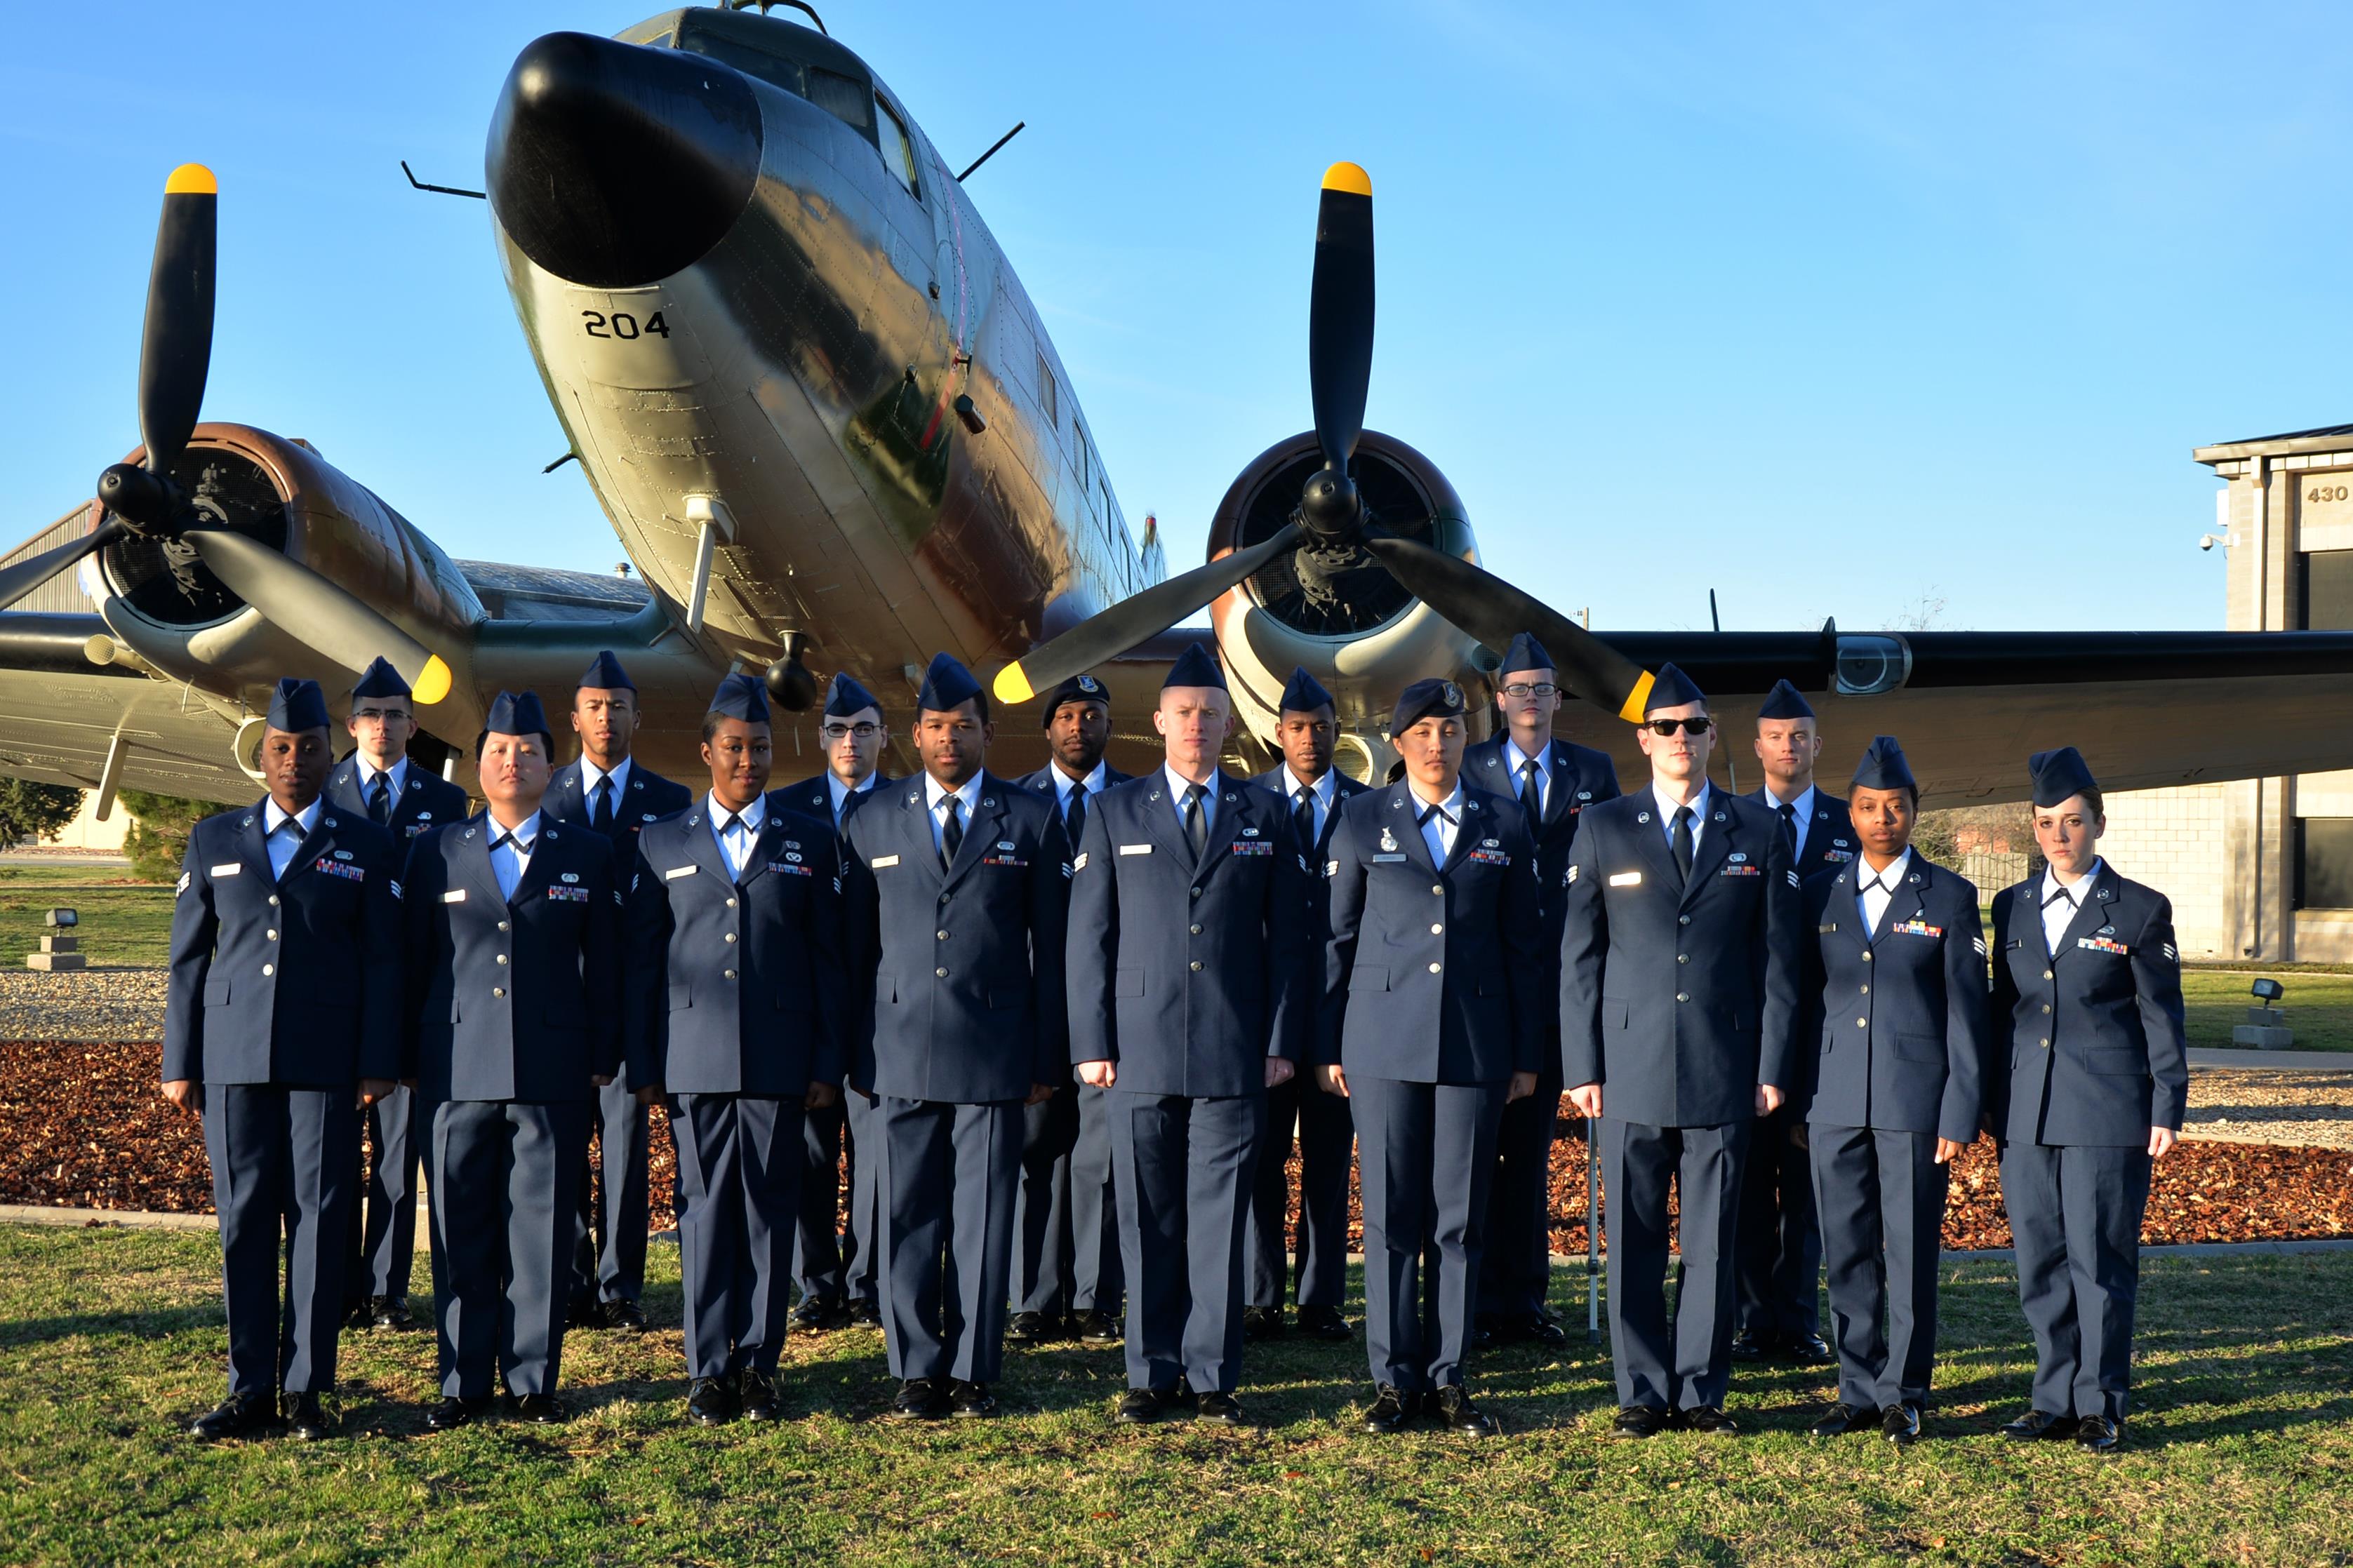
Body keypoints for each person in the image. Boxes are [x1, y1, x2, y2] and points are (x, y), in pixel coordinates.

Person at [1067, 645, 1309, 1426]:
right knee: (1145, 1216)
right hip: (1136, 1047)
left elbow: (1289, 941)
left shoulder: (1265, 812)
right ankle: (1151, 1370)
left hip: (1234, 1048)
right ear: (1159, 723)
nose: (1198, 726)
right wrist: (1089, 1040)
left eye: (1210, 714)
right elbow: (1088, 937)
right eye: (1184, 714)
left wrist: (1279, 1038)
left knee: (1219, 1217)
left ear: (1226, 721)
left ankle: (1211, 1377)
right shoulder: (1112, 811)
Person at [1560, 662, 1799, 1438]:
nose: (1680, 738)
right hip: (1626, 1067)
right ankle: (1639, 1391)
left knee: (1712, 1240)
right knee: (1633, 1240)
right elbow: (1579, 957)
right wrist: (1581, 1065)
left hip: (1723, 1065)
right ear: (1643, 738)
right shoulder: (1602, 826)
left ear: (1709, 736)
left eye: (1694, 725)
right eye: (1666, 726)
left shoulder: (1756, 829)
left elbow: (1778, 963)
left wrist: (1770, 1068)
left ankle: (1699, 1391)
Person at [165, 677, 401, 1441]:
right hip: (232, 1060)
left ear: (331, 755)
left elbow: (381, 962)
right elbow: (188, 962)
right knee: (242, 1221)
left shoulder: (363, 843)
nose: (294, 761)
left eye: (307, 749)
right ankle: (248, 1389)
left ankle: (305, 1389)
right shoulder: (214, 839)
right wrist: (181, 1060)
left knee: (321, 1219)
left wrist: (375, 1061)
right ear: (261, 756)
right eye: (280, 748)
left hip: (324, 1062)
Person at [839, 652, 1068, 1419]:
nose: (948, 740)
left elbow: (1055, 947)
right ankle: (915, 1367)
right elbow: (851, 951)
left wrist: (1045, 1056)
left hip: (995, 1052)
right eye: (935, 727)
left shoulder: (1031, 818)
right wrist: (852, 1049)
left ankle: (972, 1369)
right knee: (905, 1214)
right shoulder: (870, 818)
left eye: (962, 727)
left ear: (987, 733)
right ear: (914, 734)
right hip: (897, 1048)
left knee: (982, 1218)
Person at [1322, 678, 1545, 1438]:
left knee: (1459, 1221)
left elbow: (1524, 947)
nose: (1437, 743)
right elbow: (1335, 940)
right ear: (1397, 743)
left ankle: (1448, 1379)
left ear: (1463, 738)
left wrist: (1524, 1052)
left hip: (1474, 1046)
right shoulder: (1358, 819)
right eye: (1421, 732)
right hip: (1382, 1043)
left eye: (1449, 731)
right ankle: (1393, 1382)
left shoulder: (1503, 821)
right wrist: (1326, 1045)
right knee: (1389, 1219)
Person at [625, 674, 846, 1425]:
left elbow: (828, 963)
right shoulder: (661, 841)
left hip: (780, 1063)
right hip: (692, 1060)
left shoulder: (809, 842)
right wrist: (646, 1065)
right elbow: (643, 965)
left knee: (768, 1215)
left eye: (757, 748)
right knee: (703, 1213)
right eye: (732, 748)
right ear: (706, 752)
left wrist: (825, 1063)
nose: (746, 761)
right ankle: (707, 1368)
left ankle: (758, 1366)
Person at [401, 690, 623, 1430]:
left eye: (528, 749)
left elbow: (609, 967)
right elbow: (410, 963)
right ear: (476, 764)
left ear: (550, 764)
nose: (512, 760)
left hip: (550, 1070)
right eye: (498, 749)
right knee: (460, 1229)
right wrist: (404, 1056)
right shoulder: (433, 851)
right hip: (455, 1068)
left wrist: (601, 1053)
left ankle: (533, 1379)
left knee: (539, 1230)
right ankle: (462, 1381)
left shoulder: (587, 854)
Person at [1988, 746, 2187, 1454]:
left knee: (2098, 1261)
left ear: (2098, 822)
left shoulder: (2136, 910)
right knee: (2038, 1260)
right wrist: (1988, 1105)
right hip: (2024, 1114)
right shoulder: (2009, 905)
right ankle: (2051, 1398)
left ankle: (2100, 1402)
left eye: (2070, 821)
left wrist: (2166, 1105)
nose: (2057, 837)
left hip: (2104, 1112)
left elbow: (2161, 1015)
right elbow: (2000, 1010)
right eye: (2044, 824)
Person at [1799, 737, 1989, 1446]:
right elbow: (1801, 999)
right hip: (1835, 1099)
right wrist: (1798, 1100)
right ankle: (1854, 1388)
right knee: (1843, 1249)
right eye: (1869, 807)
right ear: (1850, 814)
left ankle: (1902, 1392)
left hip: (1914, 1103)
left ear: (1914, 813)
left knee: (1907, 1252)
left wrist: (1959, 1107)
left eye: (1895, 808)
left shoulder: (1948, 895)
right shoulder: (1821, 894)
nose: (1882, 818)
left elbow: (1968, 1013)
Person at [1462, 631, 1621, 1349]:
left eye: (1543, 688)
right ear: (1498, 701)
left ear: (1560, 698)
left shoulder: (1593, 770)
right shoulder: (1466, 767)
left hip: (1565, 983)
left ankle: (1524, 1300)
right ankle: (1476, 1302)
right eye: (1518, 689)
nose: (1532, 700)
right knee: (1477, 1152)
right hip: (1486, 987)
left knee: (1527, 1153)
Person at [546, 650, 692, 1334]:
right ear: (575, 718)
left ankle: (620, 1287)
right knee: (567, 1145)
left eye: (618, 705)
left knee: (629, 1148)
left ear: (638, 715)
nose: (607, 718)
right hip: (567, 1005)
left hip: (637, 1002)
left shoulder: (669, 803)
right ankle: (574, 1280)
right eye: (594, 707)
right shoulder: (547, 801)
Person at [325, 656, 467, 1334]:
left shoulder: (442, 805)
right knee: (328, 1154)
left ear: (414, 726)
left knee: (396, 1153)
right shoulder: (322, 793)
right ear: (352, 725)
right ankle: (337, 1283)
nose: (383, 726)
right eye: (371, 715)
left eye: (396, 715)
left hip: (408, 995)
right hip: (337, 996)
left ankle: (386, 1289)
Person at [1244, 666, 1368, 1343]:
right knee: (1261, 1161)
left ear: (1336, 732)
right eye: (1297, 727)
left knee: (1327, 1160)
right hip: (1264, 1016)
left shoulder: (1369, 806)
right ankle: (1260, 1296)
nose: (1310, 738)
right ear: (1278, 733)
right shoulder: (1247, 803)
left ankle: (1320, 1299)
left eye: (1322, 727)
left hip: (1340, 1016)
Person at [1012, 671, 1133, 1346]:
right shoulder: (1016, 804)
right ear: (1047, 726)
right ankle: (1033, 1297)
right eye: (1066, 714)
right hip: (1033, 1007)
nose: (1079, 725)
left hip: (1111, 1009)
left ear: (1110, 724)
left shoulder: (1138, 800)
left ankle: (1095, 1298)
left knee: (1101, 1160)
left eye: (1092, 713)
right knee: (1033, 1153)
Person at [1733, 676, 1848, 1365]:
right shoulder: (1731, 822)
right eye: (1774, 737)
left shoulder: (1846, 824)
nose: (1787, 747)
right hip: (1747, 1030)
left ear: (1815, 746)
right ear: (1756, 747)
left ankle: (1798, 1319)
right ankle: (1754, 1320)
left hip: (1822, 1034)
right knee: (1747, 1186)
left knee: (1806, 1188)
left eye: (1798, 737)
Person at [783, 671, 893, 1331]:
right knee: (811, 1153)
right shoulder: (789, 808)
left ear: (884, 737)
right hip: (807, 1008)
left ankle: (869, 1281)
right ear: (820, 736)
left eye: (863, 729)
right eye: (837, 730)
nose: (850, 741)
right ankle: (817, 1285)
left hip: (884, 1007)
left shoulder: (907, 807)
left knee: (878, 1156)